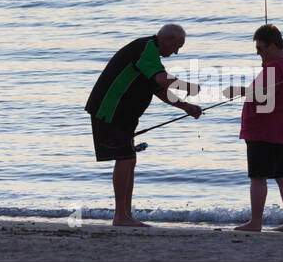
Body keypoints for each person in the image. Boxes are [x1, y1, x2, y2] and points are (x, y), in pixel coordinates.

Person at [85, 23, 202, 226]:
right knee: (125, 158)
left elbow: (158, 89)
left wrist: (186, 107)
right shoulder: (146, 48)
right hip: (109, 111)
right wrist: (186, 86)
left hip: (122, 116)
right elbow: (162, 79)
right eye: (177, 46)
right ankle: (120, 217)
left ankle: (125, 215)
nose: (176, 52)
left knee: (129, 159)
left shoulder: (150, 58)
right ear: (165, 39)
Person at [225, 23, 283, 232]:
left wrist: (238, 90)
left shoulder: (274, 67)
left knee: (258, 177)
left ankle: (255, 222)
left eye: (260, 49)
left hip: (265, 131)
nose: (259, 54)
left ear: (271, 46)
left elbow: (263, 96)